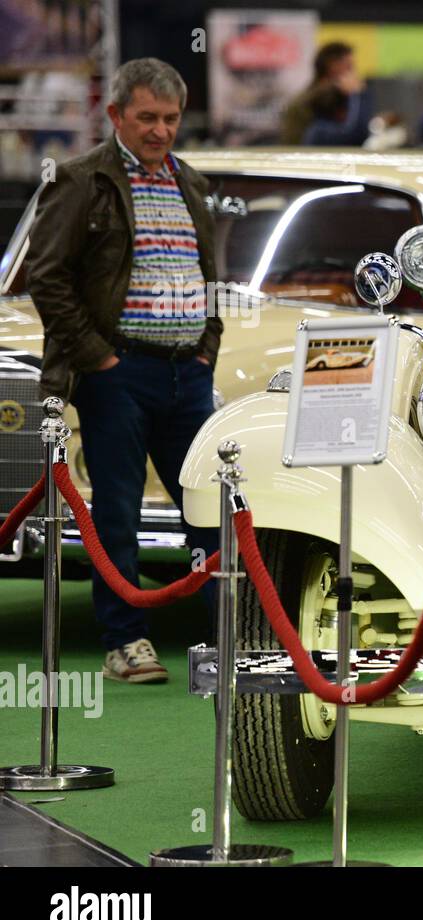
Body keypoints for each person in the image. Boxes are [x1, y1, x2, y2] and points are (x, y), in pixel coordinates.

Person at [26, 58, 221, 683]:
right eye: (146, 118)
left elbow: (207, 277)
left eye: (170, 119)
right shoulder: (82, 180)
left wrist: (206, 346)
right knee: (117, 511)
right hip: (120, 373)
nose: (160, 131)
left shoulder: (189, 180)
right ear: (115, 116)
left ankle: (227, 632)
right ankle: (124, 642)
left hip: (186, 374)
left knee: (211, 507)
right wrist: (99, 360)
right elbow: (46, 277)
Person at [281, 41, 369, 146]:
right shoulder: (316, 101)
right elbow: (355, 135)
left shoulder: (337, 96)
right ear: (332, 66)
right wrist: (357, 95)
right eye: (349, 67)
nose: (353, 73)